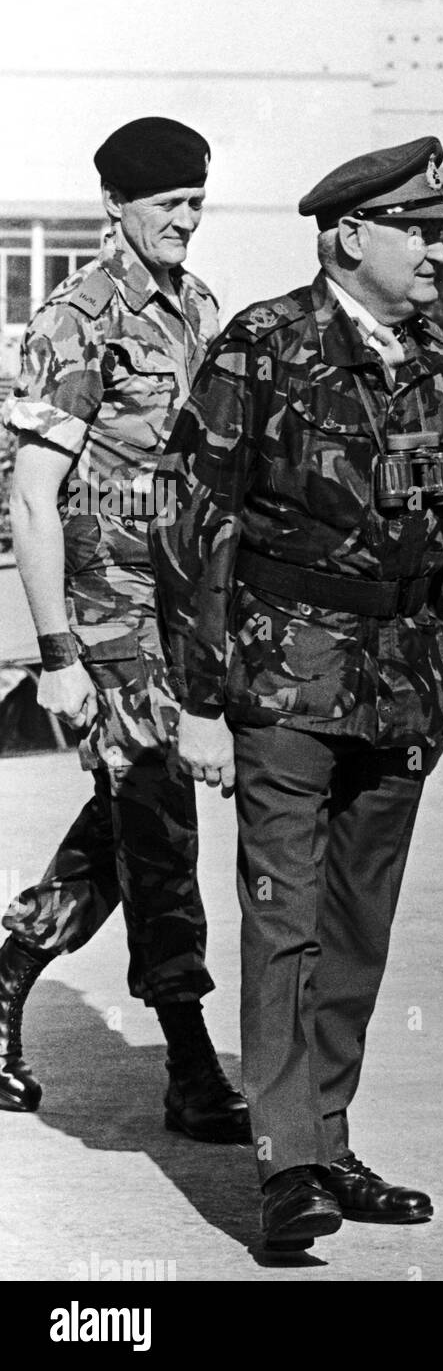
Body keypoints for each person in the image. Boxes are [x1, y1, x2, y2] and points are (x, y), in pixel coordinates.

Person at [150, 136, 443, 1253]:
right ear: (346, 236)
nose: (437, 245)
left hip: (399, 686)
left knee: (356, 932)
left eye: (437, 226)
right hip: (285, 679)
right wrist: (197, 699)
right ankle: (287, 1164)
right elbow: (192, 518)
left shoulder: (430, 349)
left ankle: (327, 1139)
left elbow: (439, 525)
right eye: (415, 228)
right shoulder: (265, 345)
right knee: (284, 921)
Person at [0, 117, 248, 1143]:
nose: (183, 220)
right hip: (108, 617)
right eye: (164, 204)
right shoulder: (73, 323)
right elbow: (29, 496)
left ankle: (11, 963)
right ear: (115, 204)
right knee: (159, 812)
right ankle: (190, 1062)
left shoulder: (198, 309)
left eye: (194, 202)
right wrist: (56, 654)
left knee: (133, 809)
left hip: (182, 610)